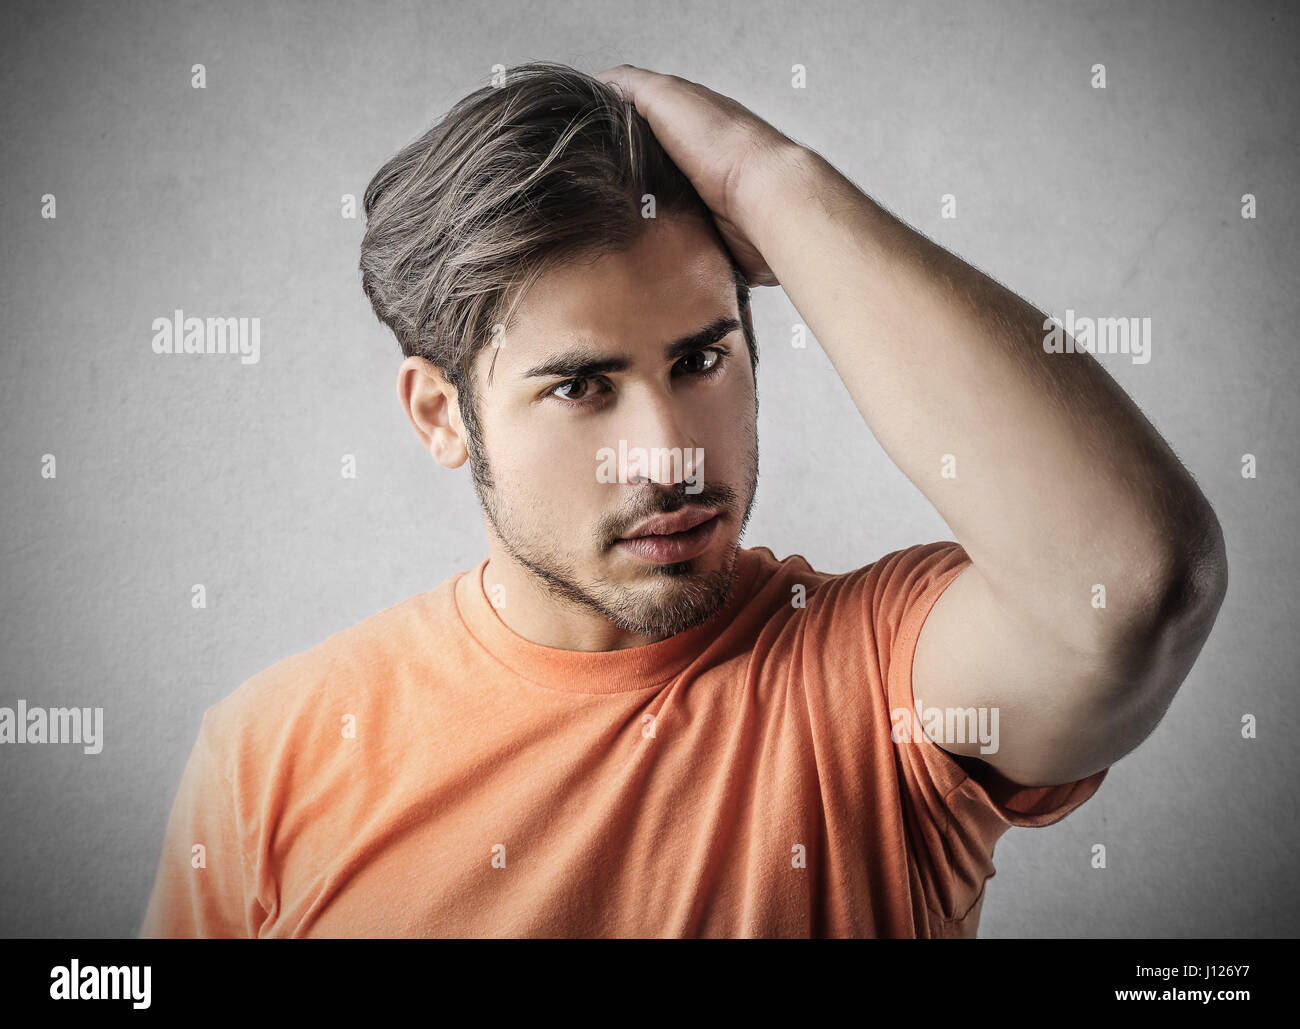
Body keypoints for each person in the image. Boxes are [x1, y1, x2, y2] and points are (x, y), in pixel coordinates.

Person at [140, 61, 1227, 938]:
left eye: (702, 361)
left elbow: (1133, 585)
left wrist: (771, 183)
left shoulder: (871, 683)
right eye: (579, 386)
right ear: (440, 416)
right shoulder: (268, 755)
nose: (666, 457)